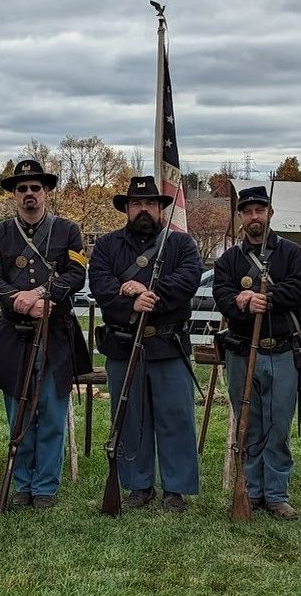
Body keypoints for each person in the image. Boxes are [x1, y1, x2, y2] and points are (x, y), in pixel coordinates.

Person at [90, 176, 202, 512]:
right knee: (130, 417)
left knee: (176, 418)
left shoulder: (181, 244)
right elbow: (100, 282)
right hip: (124, 345)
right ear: (126, 208)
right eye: (137, 204)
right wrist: (130, 304)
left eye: (150, 204)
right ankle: (138, 486)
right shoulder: (108, 245)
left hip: (168, 344)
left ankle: (176, 489)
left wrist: (147, 294)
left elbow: (188, 279)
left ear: (160, 208)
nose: (144, 209)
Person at [0, 159, 89, 510]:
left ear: (46, 192)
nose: (29, 194)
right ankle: (23, 483)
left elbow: (76, 274)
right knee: (19, 412)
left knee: (52, 411)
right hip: (15, 331)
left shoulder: (68, 231)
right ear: (14, 195)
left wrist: (44, 296)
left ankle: (45, 486)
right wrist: (20, 301)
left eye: (35, 188)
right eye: (22, 189)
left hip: (55, 332)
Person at [211, 185, 301, 520]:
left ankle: (277, 493)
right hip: (243, 351)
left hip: (282, 351)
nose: (255, 217)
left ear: (270, 213)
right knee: (249, 424)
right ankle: (251, 491)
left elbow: (299, 288)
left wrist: (266, 298)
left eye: (260, 210)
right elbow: (221, 293)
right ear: (241, 217)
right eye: (248, 211)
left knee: (278, 425)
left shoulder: (292, 254)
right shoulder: (229, 259)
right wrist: (241, 301)